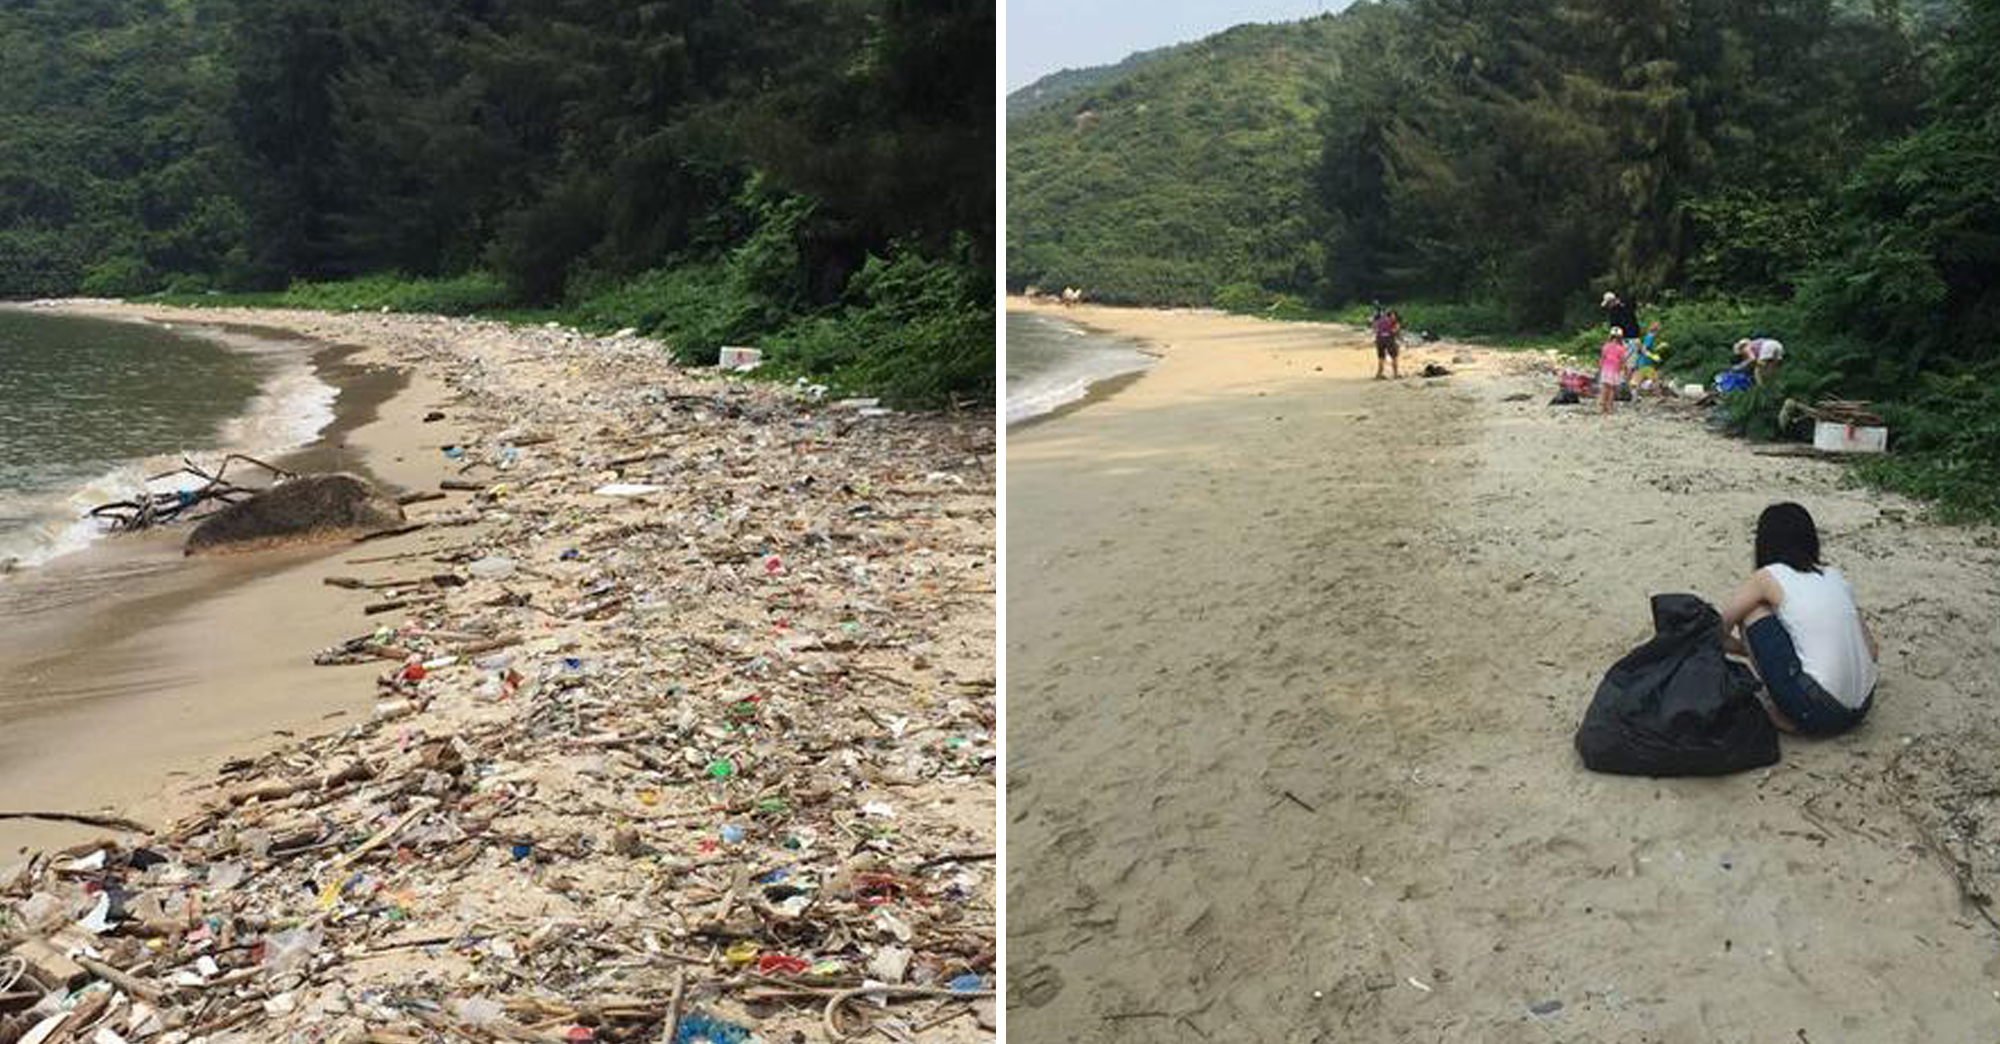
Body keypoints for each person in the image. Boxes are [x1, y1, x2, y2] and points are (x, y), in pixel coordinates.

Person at [1720, 502, 1879, 735]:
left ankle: (1785, 714)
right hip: (1862, 707)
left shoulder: (1767, 577)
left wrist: (1745, 649)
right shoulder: (1834, 576)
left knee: (1753, 612)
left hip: (1819, 714)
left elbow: (1716, 630)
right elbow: (1873, 650)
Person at [1597, 328, 1627, 415]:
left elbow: (1602, 359)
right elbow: (1623, 361)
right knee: (1612, 390)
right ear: (1620, 338)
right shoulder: (1621, 348)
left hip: (1605, 369)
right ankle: (1610, 408)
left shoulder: (1606, 346)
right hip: (1615, 370)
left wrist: (1599, 369)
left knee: (1604, 388)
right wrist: (1624, 370)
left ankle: (1603, 408)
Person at [1372, 307, 1401, 380]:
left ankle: (1379, 374)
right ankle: (1395, 374)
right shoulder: (1393, 321)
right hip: (1389, 340)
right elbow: (1395, 331)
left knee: (1381, 357)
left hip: (1379, 340)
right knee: (1394, 357)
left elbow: (1375, 329)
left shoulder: (1379, 320)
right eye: (1394, 315)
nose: (1395, 317)